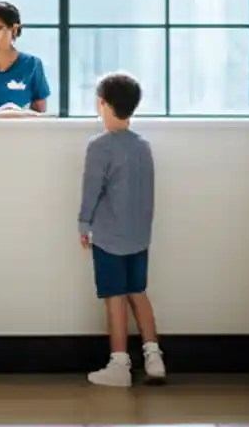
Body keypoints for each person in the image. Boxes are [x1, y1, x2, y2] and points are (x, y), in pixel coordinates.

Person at [78, 72, 166, 387]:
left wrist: (84, 223)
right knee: (137, 292)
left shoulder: (99, 146)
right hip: (139, 235)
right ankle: (154, 357)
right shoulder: (143, 146)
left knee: (114, 296)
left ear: (102, 104)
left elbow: (92, 189)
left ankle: (119, 363)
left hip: (110, 237)